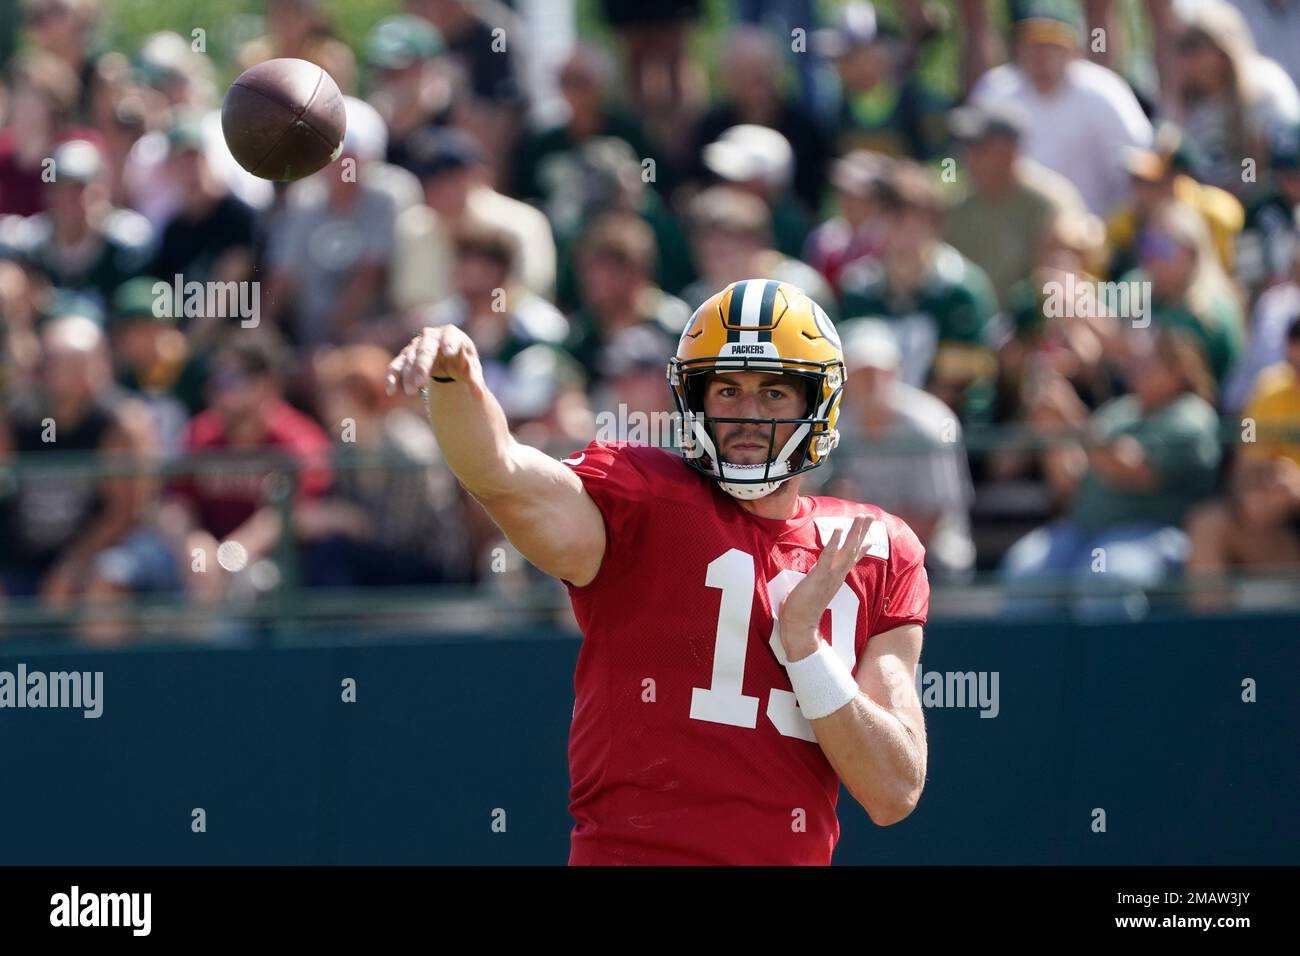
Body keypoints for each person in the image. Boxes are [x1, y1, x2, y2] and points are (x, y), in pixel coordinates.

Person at [387, 278, 929, 865]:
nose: (748, 415)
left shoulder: (874, 547)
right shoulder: (643, 500)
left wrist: (804, 649)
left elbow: (893, 791)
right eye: (727, 389)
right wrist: (455, 381)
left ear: (817, 403)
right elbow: (501, 471)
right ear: (694, 399)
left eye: (774, 393)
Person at [1001, 328, 1222, 620]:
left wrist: (1072, 417)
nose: (1135, 368)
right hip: (1084, 531)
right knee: (1024, 573)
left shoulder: (1192, 416)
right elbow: (1072, 481)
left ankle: (1116, 666)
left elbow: (1132, 470)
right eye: (1135, 361)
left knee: (1104, 582)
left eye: (1147, 362)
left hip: (1153, 533)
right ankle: (1037, 666)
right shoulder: (1121, 410)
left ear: (1178, 368)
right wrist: (1052, 432)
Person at [969, 1, 1153, 217]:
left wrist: (1118, 227)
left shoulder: (1103, 92)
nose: (1041, 55)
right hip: (1012, 230)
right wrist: (948, 178)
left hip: (1092, 228)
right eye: (1033, 43)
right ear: (1017, 48)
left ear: (1073, 48)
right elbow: (957, 160)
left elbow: (1141, 162)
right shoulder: (995, 91)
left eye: (1052, 44)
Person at [1186, 315, 1300, 610]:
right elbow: (1244, 475)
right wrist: (1260, 497)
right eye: (1295, 366)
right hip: (1286, 541)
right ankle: (1214, 645)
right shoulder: (1272, 388)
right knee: (1209, 524)